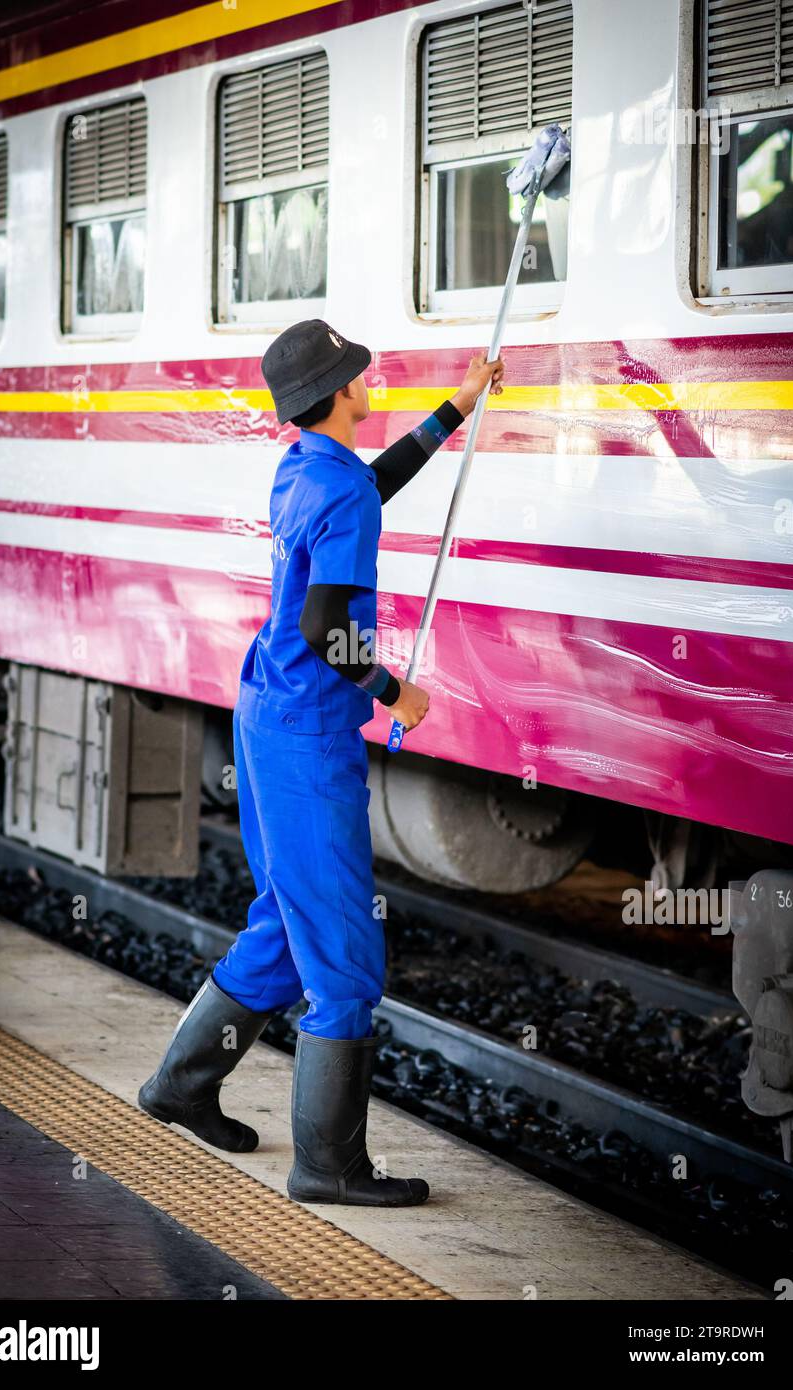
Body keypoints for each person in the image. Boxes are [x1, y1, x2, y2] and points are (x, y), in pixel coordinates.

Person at [140, 320, 504, 1206]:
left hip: (267, 717)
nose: (365, 382)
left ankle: (182, 1087)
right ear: (341, 395)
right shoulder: (334, 486)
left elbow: (372, 487)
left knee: (283, 921)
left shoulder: (306, 464)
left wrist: (454, 409)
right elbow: (326, 630)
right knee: (340, 953)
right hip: (309, 735)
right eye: (357, 375)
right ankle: (328, 1167)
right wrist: (395, 692)